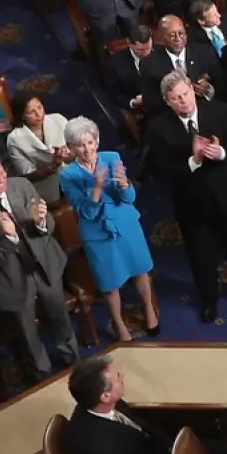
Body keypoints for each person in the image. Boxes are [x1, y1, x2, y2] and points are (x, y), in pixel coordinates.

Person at [146, 73, 227, 321]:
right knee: (201, 256)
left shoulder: (219, 110)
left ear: (192, 89)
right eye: (176, 98)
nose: (184, 101)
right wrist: (193, 161)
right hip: (192, 204)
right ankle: (209, 299)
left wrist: (221, 153)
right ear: (167, 101)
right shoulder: (158, 128)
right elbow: (161, 171)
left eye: (186, 94)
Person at [0, 148, 77, 377]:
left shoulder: (21, 186)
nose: (1, 180)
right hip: (12, 278)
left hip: (44, 265)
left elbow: (48, 227)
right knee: (27, 333)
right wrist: (8, 237)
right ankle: (42, 375)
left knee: (61, 318)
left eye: (2, 173)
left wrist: (42, 221)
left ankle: (74, 361)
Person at [58, 118, 159, 341]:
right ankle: (119, 324)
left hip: (126, 225)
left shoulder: (112, 157)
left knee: (140, 271)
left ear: (96, 141)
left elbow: (129, 199)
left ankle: (149, 310)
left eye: (90, 142)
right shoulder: (67, 175)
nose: (87, 149)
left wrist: (124, 184)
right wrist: (96, 189)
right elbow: (85, 212)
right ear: (72, 149)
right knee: (110, 284)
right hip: (98, 233)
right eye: (80, 145)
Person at [62, 356, 175, 454]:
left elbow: (142, 427)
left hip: (163, 453)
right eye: (118, 378)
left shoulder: (105, 403)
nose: (123, 378)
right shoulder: (99, 450)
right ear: (105, 396)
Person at [5, 92, 69, 202]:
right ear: (22, 116)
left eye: (40, 107)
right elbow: (28, 174)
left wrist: (67, 155)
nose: (38, 114)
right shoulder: (14, 139)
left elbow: (77, 148)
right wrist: (53, 166)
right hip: (46, 182)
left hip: (71, 170)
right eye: (31, 112)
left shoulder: (59, 120)